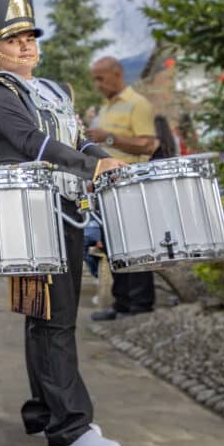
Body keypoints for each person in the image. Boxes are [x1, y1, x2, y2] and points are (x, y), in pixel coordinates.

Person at [0, 0, 125, 446]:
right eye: (14, 40)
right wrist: (89, 164)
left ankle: (43, 411)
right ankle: (71, 426)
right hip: (30, 211)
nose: (27, 46)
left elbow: (75, 138)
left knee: (48, 316)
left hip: (64, 209)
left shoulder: (55, 89)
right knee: (53, 318)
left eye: (30, 36)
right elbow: (32, 143)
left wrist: (104, 158)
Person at [89, 57, 159, 320]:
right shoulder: (106, 108)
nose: (97, 84)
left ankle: (140, 304)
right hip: (109, 185)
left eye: (101, 78)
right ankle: (121, 303)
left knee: (137, 244)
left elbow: (147, 145)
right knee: (114, 245)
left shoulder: (137, 104)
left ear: (117, 73)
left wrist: (108, 137)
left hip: (132, 183)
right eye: (94, 79)